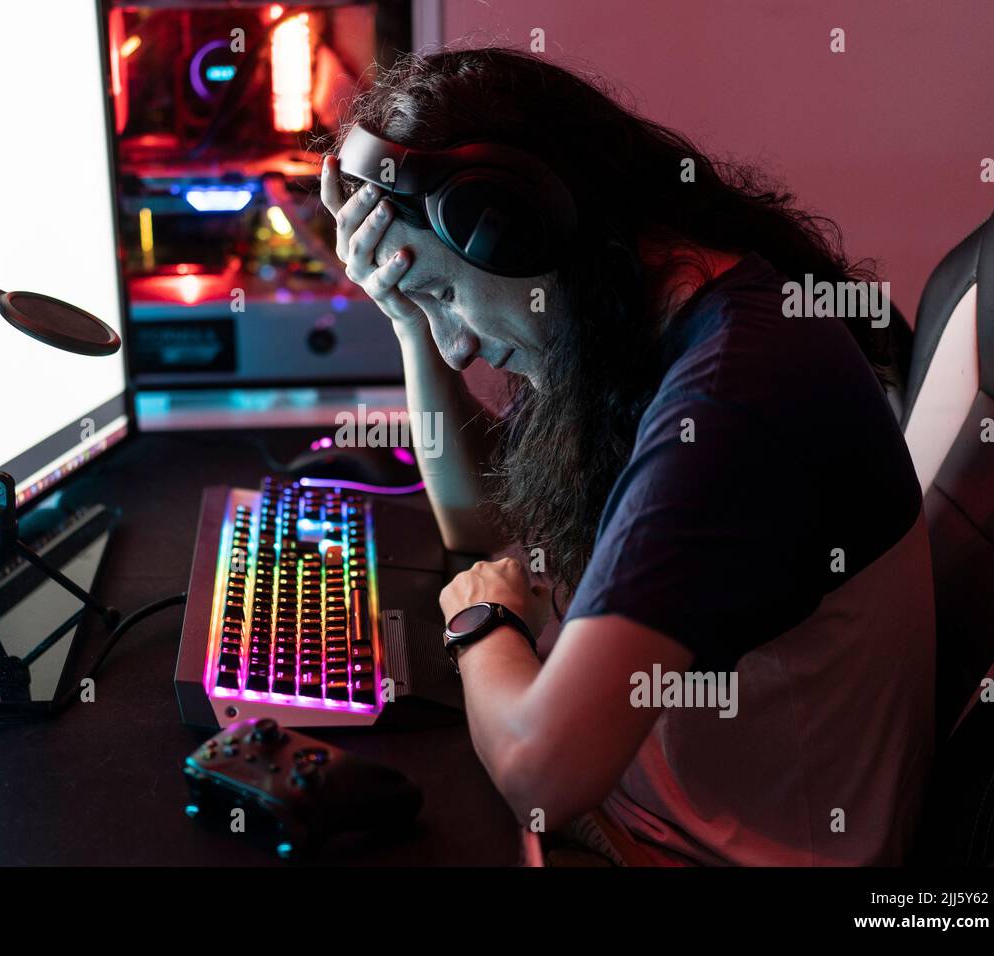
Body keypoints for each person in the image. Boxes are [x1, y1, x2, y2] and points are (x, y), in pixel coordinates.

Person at [319, 47, 934, 866]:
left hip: (688, 848)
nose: (457, 345)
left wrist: (480, 622)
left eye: (441, 296)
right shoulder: (639, 305)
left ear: (524, 228)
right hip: (645, 795)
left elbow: (544, 775)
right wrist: (405, 317)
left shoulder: (731, 400)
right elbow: (488, 526)